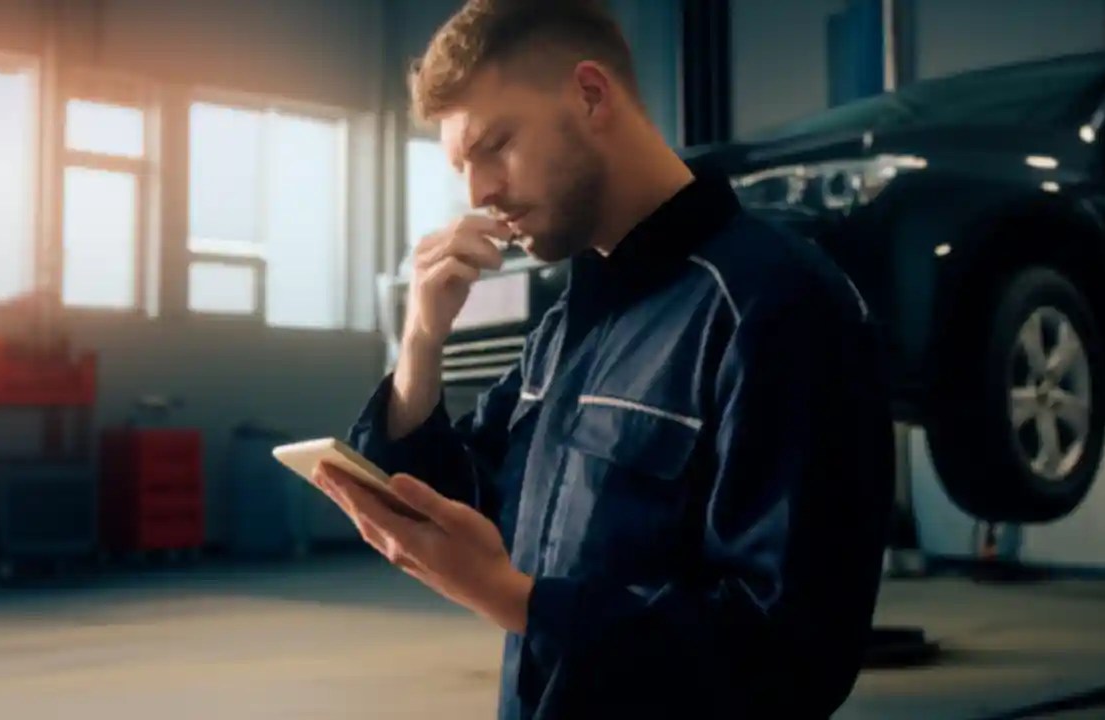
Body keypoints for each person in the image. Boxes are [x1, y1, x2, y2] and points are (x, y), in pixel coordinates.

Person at [309, 0, 896, 717]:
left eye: (495, 143)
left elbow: (790, 654)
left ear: (590, 94)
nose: (479, 193)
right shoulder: (567, 328)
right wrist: (421, 343)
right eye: (463, 166)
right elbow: (458, 504)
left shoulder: (776, 306)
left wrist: (513, 599)